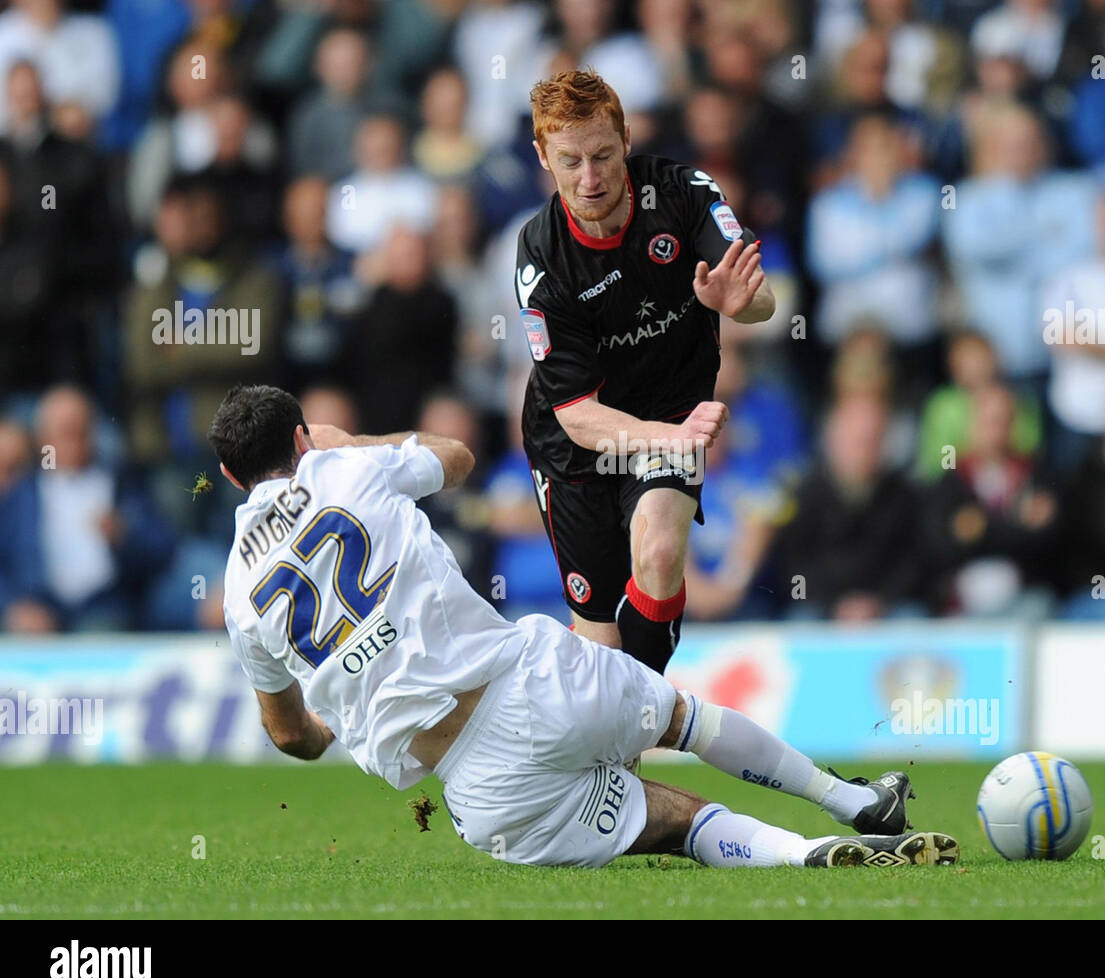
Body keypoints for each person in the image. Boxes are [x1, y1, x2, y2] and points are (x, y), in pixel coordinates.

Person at [209, 384, 959, 870]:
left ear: (235, 480)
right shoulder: (346, 469)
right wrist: (354, 446)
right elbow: (459, 458)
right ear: (304, 441)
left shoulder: (240, 592)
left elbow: (288, 735)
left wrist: (334, 723)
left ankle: (806, 856)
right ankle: (851, 802)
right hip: (527, 682)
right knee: (683, 722)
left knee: (668, 821)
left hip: (479, 789)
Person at [515, 69, 775, 672]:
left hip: (671, 408)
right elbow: (579, 417)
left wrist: (743, 304)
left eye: (604, 154)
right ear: (542, 158)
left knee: (659, 550)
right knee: (599, 647)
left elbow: (760, 299)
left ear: (626, 138)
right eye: (570, 160)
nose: (591, 177)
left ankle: (647, 702)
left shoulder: (684, 191)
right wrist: (675, 438)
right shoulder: (541, 257)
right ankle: (626, 750)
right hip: (577, 447)